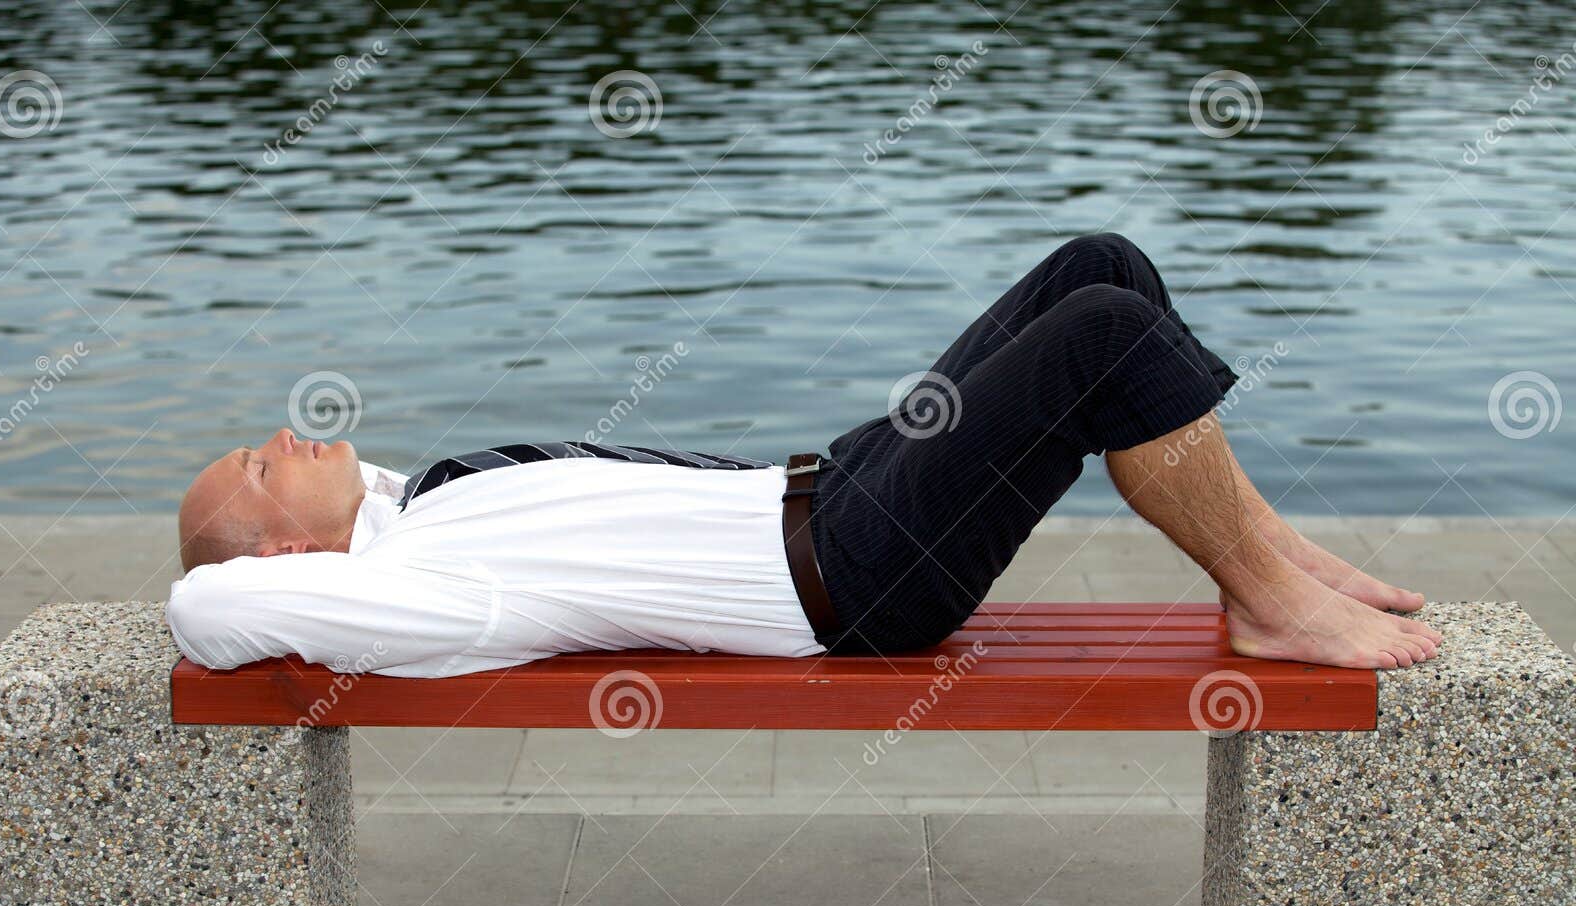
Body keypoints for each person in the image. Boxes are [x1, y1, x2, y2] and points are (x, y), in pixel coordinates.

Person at [168, 233, 1441, 677]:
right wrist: (245, 556)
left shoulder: (414, 503)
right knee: (1102, 335)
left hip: (842, 480)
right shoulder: (409, 586)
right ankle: (1270, 603)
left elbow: (341, 497)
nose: (281, 437)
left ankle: (1264, 555)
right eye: (261, 467)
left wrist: (313, 494)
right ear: (287, 555)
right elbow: (205, 609)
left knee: (1093, 268)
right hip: (860, 574)